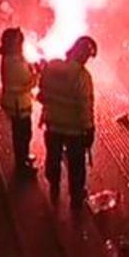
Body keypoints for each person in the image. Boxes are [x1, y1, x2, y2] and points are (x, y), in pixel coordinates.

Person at [39, 36, 98, 210]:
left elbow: (42, 92)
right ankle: (76, 196)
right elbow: (85, 106)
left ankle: (54, 185)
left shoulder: (51, 67)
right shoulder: (82, 77)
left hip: (53, 125)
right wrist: (89, 129)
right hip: (75, 130)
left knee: (53, 157)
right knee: (76, 164)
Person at [0, 28, 40, 178]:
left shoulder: (11, 58)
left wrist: (33, 66)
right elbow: (28, 82)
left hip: (17, 103)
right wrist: (38, 73)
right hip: (18, 105)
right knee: (22, 135)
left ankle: (24, 157)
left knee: (22, 133)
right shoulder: (14, 63)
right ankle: (21, 165)